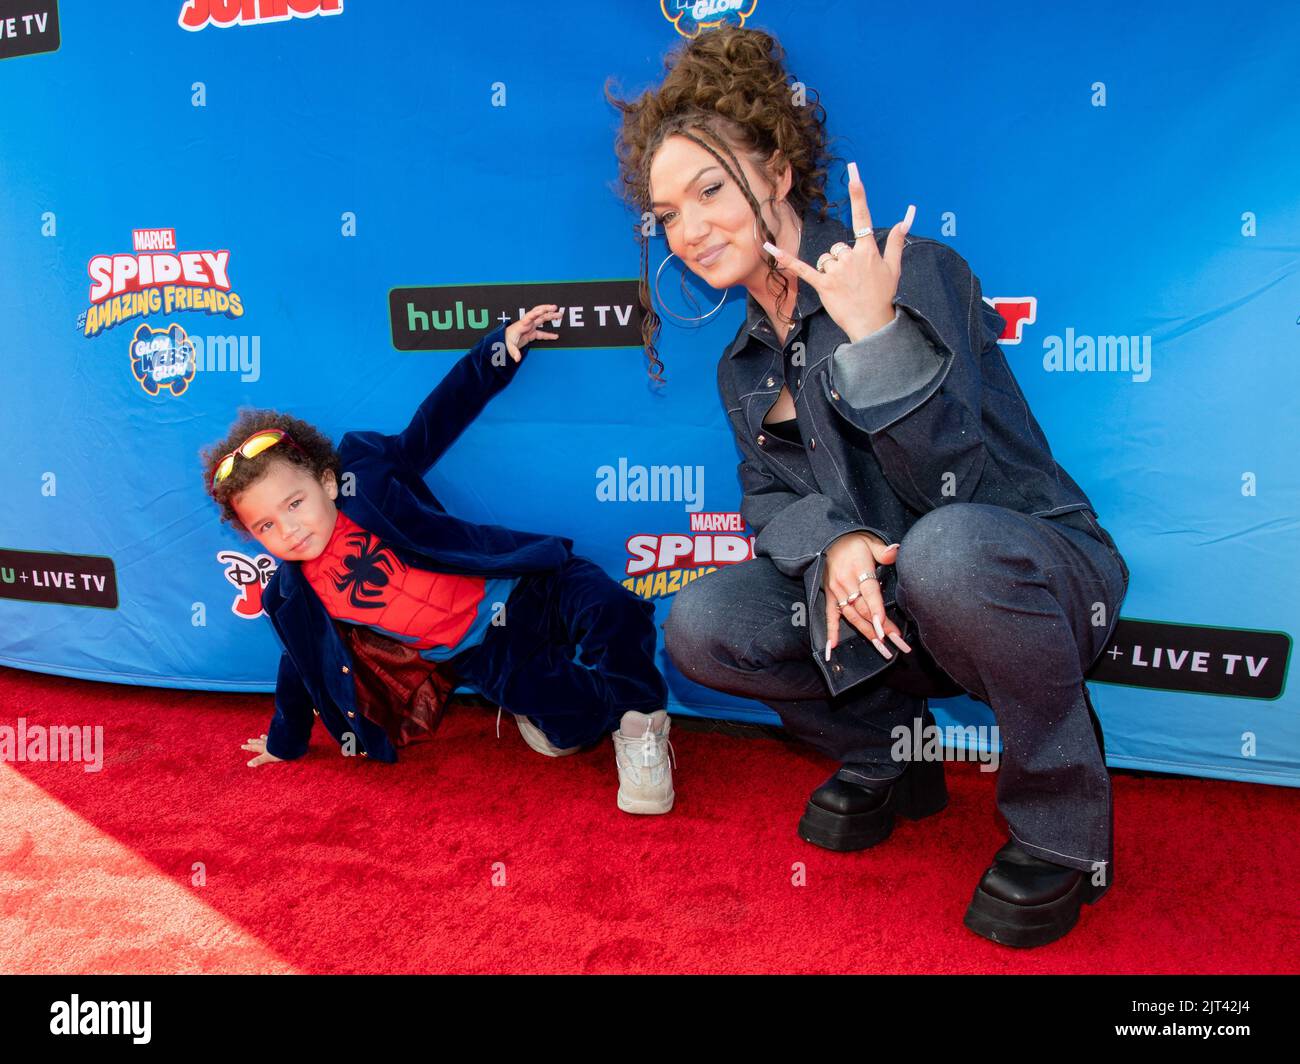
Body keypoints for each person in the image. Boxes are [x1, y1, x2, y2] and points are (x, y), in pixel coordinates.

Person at [606, 26, 1130, 943]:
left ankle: (1061, 830)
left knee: (950, 550)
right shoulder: (740, 364)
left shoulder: (908, 269)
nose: (688, 231)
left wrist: (877, 338)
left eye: (711, 190)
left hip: (1027, 570)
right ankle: (892, 755)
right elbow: (766, 502)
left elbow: (960, 483)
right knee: (703, 625)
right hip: (897, 597)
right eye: (666, 213)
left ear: (773, 171)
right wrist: (835, 543)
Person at [200, 305, 675, 815]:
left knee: (613, 608)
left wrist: (497, 353)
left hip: (523, 582)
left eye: (294, 504)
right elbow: (299, 665)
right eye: (265, 526)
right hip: (483, 651)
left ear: (327, 482)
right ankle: (560, 709)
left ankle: (642, 723)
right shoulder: (294, 595)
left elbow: (435, 422)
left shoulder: (372, 481)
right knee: (573, 723)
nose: (288, 529)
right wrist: (284, 739)